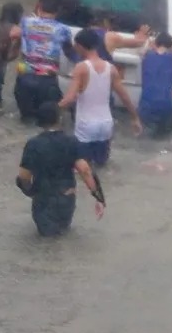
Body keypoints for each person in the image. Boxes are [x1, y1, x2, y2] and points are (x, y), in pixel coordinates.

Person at [16, 101, 105, 238]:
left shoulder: (33, 144)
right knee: (63, 235)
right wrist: (98, 198)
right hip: (67, 197)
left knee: (47, 242)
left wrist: (32, 192)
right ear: (59, 118)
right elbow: (85, 170)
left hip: (44, 200)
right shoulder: (72, 142)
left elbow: (23, 177)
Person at [58, 29, 141, 167]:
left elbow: (70, 98)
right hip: (106, 125)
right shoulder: (111, 68)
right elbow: (124, 96)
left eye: (76, 45)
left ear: (80, 46)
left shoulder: (81, 67)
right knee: (101, 165)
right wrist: (135, 117)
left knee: (83, 167)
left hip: (86, 126)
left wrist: (53, 111)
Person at [15, 0, 76, 123]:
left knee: (26, 119)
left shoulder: (25, 22)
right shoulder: (63, 30)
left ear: (39, 5)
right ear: (59, 10)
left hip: (24, 78)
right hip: (47, 80)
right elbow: (70, 53)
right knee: (48, 120)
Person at [139, 32, 172, 138]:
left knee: (146, 135)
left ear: (156, 43)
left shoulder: (147, 56)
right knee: (167, 136)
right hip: (166, 105)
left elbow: (141, 51)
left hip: (146, 105)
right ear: (171, 46)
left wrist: (148, 41)